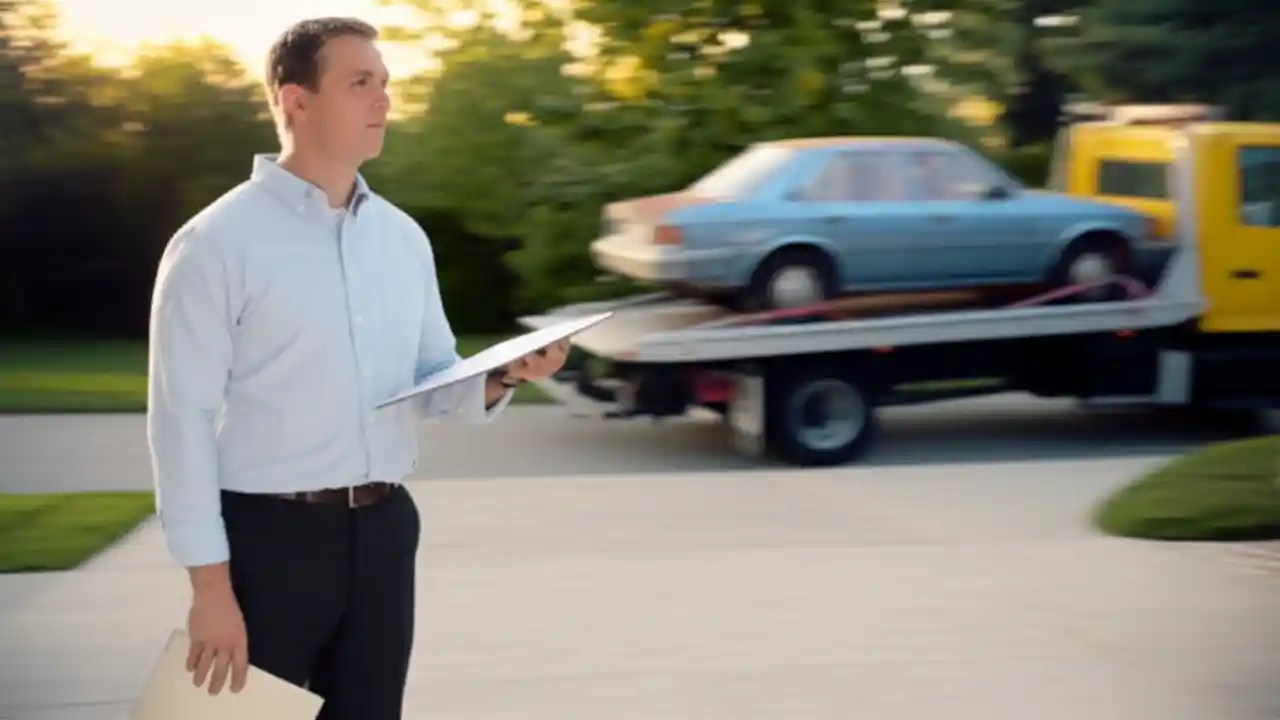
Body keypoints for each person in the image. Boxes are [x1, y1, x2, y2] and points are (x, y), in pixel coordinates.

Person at [144, 16, 567, 719]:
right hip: (270, 542)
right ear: (295, 100)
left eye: (386, 84)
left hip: (384, 530)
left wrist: (506, 374)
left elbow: (431, 381)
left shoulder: (402, 239)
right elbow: (178, 421)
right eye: (360, 83)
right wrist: (209, 591)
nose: (383, 101)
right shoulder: (215, 244)